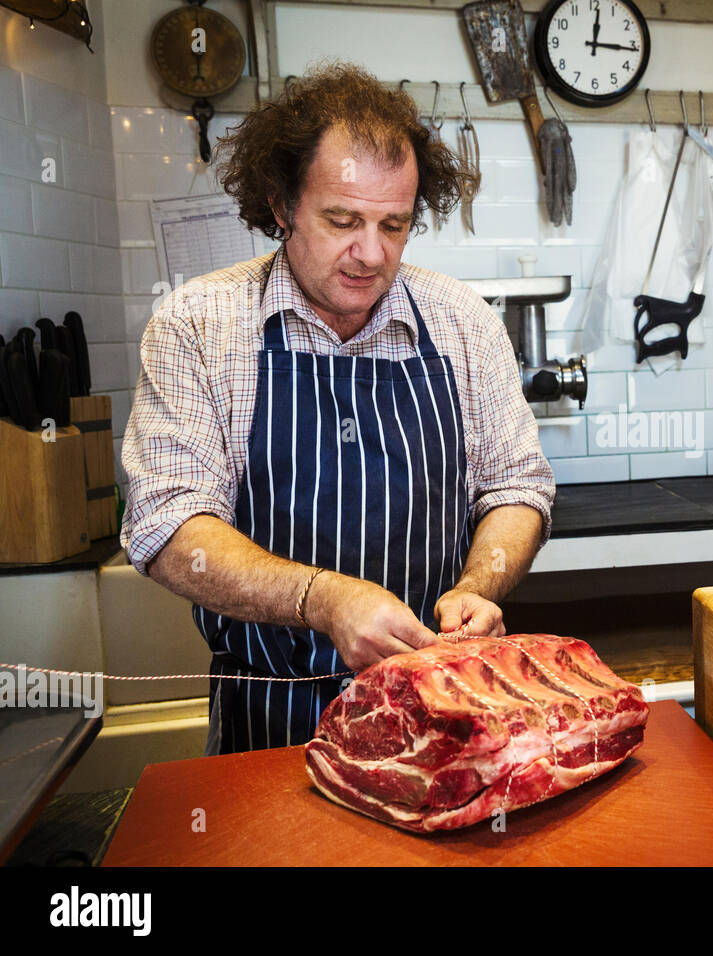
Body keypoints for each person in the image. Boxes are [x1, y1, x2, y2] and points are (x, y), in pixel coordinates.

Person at [119, 62, 555, 755]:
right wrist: (323, 600)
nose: (370, 253)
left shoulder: (461, 320)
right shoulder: (198, 323)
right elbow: (167, 525)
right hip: (271, 719)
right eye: (342, 220)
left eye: (395, 225)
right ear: (282, 202)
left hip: (439, 712)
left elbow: (516, 486)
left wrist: (482, 582)